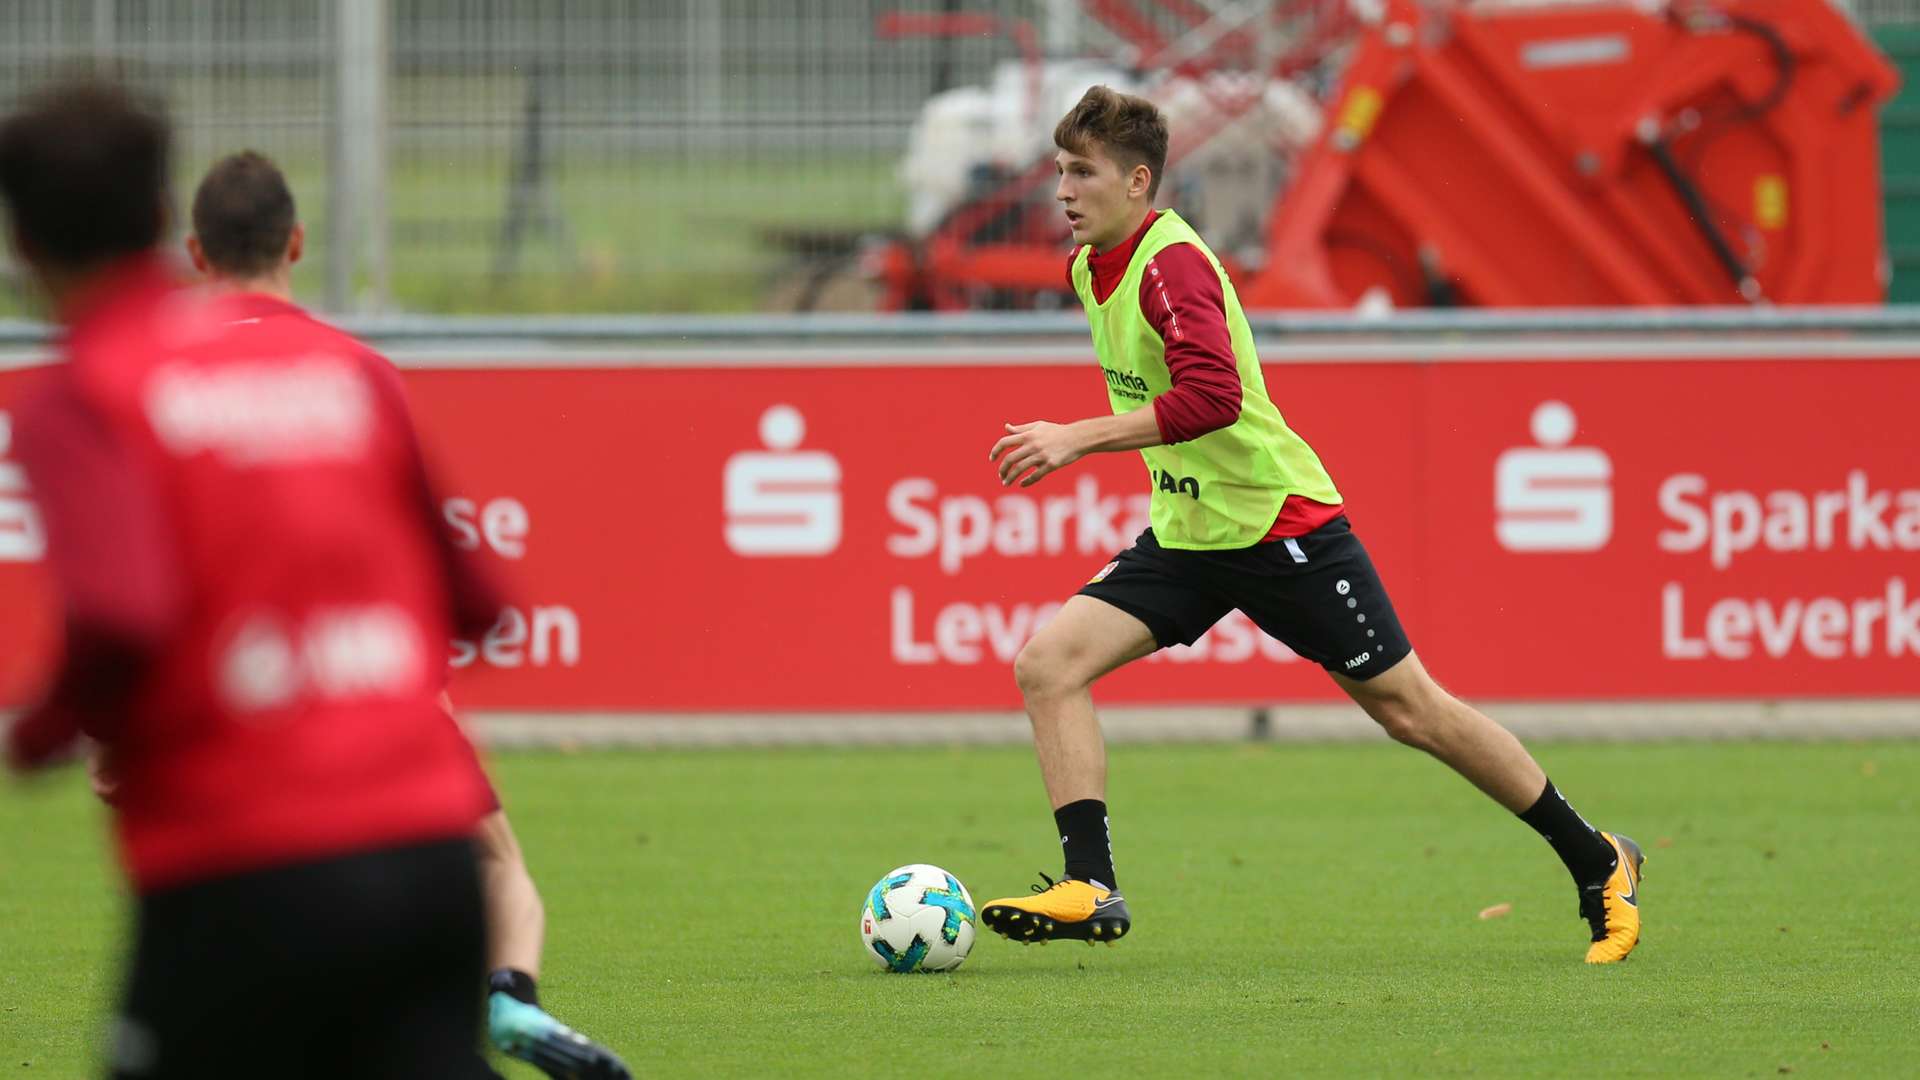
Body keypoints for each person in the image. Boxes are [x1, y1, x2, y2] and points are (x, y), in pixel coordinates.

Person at [980, 86, 1644, 964]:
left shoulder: (1170, 265)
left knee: (1413, 713)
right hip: (1189, 534)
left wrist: (1078, 438)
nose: (1061, 190)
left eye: (1081, 172)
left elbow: (1213, 397)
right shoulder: (1089, 264)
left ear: (1137, 183)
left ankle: (1599, 860)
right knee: (1048, 665)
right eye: (1059, 170)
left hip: (1279, 529)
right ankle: (1090, 886)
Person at [0, 79, 503, 1077]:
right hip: (430, 852)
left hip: (243, 867)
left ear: (20, 242)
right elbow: (480, 603)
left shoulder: (87, 393)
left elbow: (121, 615)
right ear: (155, 221)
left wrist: (45, 732)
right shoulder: (340, 374)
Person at [179, 149, 631, 1079]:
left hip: (230, 698)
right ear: (297, 243)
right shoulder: (362, 375)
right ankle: (512, 999)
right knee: (498, 865)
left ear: (194, 254)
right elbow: (426, 557)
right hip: (369, 682)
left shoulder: (161, 377)